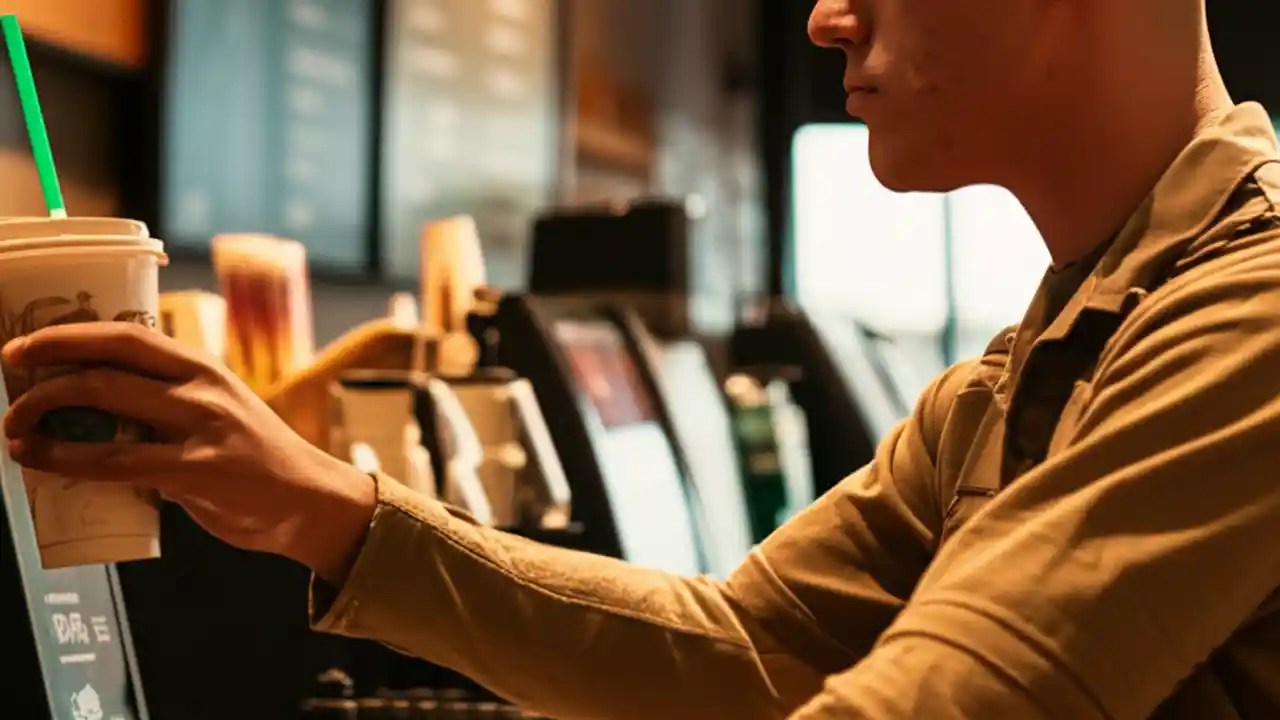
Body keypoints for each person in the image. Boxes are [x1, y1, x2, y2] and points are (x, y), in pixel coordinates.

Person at [4, 0, 1278, 717]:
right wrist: (321, 506)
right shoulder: (1024, 373)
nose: (829, 17)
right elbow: (746, 646)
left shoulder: (1252, 312)